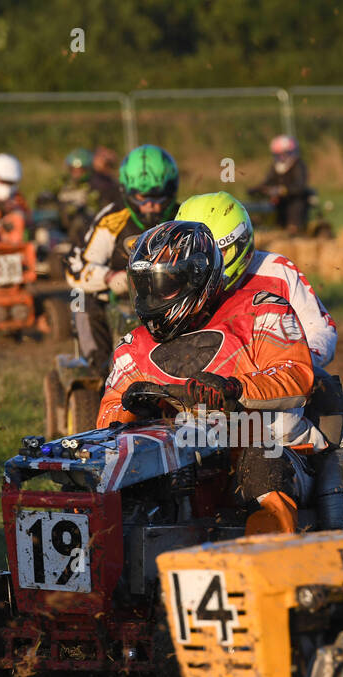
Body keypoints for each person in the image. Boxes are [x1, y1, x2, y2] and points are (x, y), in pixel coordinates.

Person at [96, 221, 319, 535]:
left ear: (196, 277)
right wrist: (132, 410)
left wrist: (234, 389)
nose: (151, 299)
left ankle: (272, 556)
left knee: (261, 463)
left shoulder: (262, 311)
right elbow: (107, 428)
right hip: (181, 462)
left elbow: (296, 375)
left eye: (163, 286)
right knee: (117, 476)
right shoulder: (133, 348)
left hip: (273, 452)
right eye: (145, 287)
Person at [175, 191, 336, 368]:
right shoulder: (169, 279)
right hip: (193, 375)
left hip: (265, 376)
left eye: (219, 253)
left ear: (240, 242)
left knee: (325, 383)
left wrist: (295, 366)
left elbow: (320, 329)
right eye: (195, 256)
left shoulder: (276, 272)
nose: (208, 263)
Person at [66, 144, 179, 374]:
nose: (150, 206)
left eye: (157, 197)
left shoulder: (184, 216)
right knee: (81, 298)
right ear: (128, 192)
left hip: (175, 300)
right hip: (119, 300)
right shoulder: (112, 218)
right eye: (142, 197)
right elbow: (77, 268)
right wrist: (109, 277)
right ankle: (100, 371)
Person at [248, 135, 310, 234]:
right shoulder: (275, 167)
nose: (282, 157)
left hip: (294, 200)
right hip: (280, 201)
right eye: (279, 154)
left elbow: (300, 187)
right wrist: (257, 189)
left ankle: (294, 227)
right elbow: (268, 181)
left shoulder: (298, 165)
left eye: (284, 154)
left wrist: (283, 190)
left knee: (296, 203)